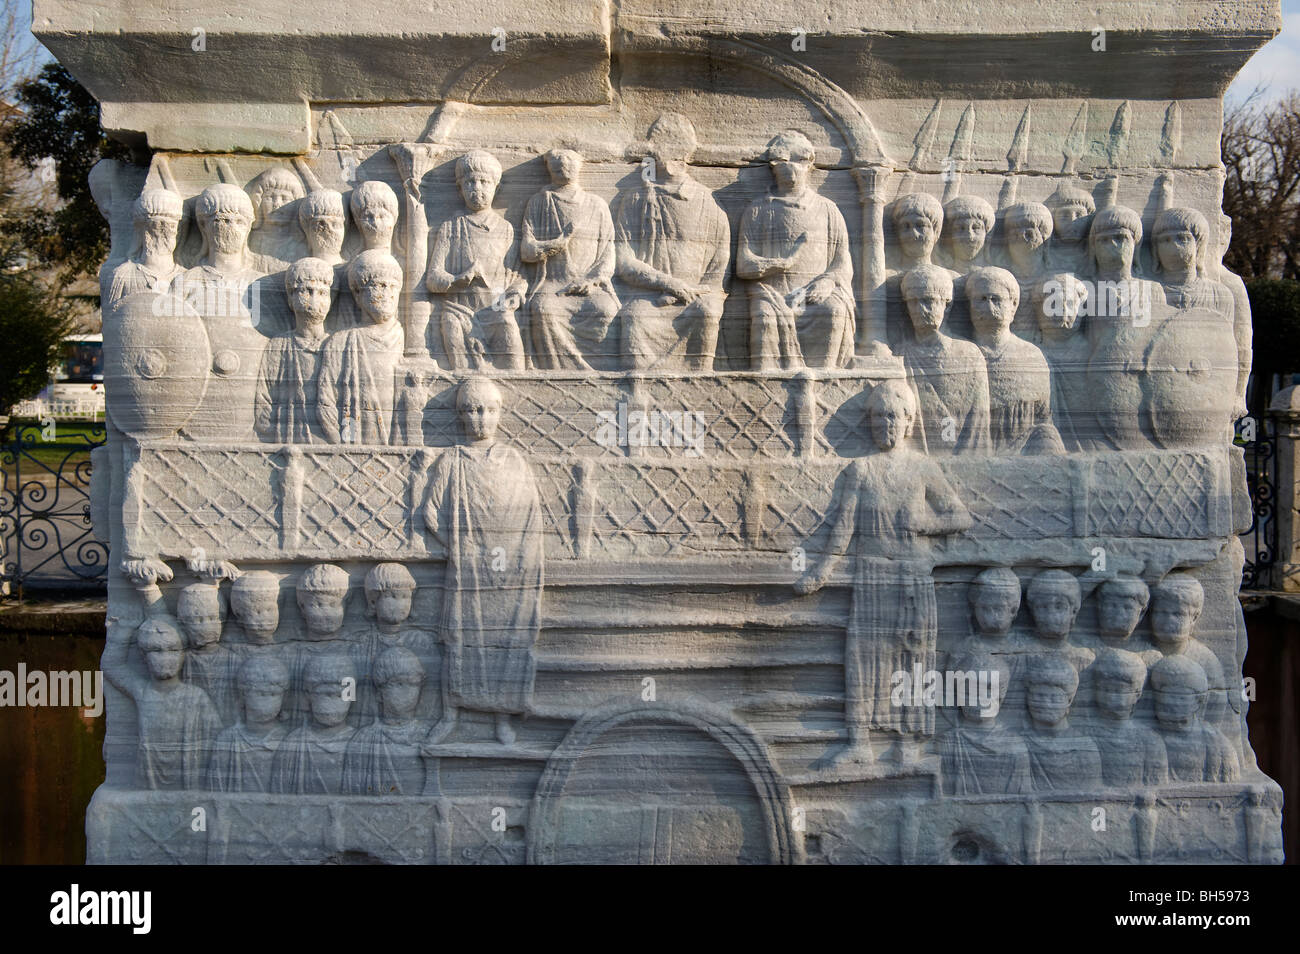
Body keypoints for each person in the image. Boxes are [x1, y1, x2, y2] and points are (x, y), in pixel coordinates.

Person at [794, 378, 972, 770]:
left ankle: (908, 744)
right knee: (863, 657)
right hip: (872, 576)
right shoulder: (861, 471)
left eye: (893, 417)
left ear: (909, 421)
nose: (886, 425)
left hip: (912, 577)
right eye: (879, 417)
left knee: (913, 660)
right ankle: (859, 743)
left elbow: (960, 516)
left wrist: (924, 522)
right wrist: (821, 571)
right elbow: (843, 528)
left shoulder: (923, 468)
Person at [422, 377, 543, 746]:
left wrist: (518, 560)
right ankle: (450, 715)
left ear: (499, 413)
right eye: (472, 410)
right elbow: (431, 513)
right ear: (460, 415)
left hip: (508, 576)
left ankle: (503, 719)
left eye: (488, 410)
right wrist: (461, 549)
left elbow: (531, 519)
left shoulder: (514, 461)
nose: (480, 418)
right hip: (468, 570)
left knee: (507, 643)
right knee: (459, 642)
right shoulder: (451, 461)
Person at [614, 113, 730, 372]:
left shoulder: (706, 202)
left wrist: (700, 291)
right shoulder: (635, 199)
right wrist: (668, 284)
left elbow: (719, 261)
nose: (670, 159)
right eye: (664, 149)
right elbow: (624, 260)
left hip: (696, 296)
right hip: (650, 296)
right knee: (635, 317)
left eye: (677, 150)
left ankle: (700, 390)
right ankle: (635, 393)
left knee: (708, 313)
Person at [736, 130, 855, 370]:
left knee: (834, 310)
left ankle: (826, 381)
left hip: (813, 295)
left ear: (810, 164)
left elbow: (843, 264)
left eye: (799, 159)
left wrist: (828, 282)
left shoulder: (828, 209)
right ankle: (767, 387)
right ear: (772, 165)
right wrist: (779, 263)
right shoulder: (758, 209)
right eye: (782, 159)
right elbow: (743, 264)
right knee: (764, 317)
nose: (791, 166)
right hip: (772, 296)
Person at [426, 150, 528, 370]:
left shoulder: (506, 229)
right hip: (459, 308)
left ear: (496, 187)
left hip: (496, 306)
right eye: (470, 182)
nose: (477, 189)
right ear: (460, 188)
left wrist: (516, 295)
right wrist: (457, 279)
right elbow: (433, 277)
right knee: (454, 341)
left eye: (484, 182)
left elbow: (518, 276)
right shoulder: (451, 227)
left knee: (512, 350)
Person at [521, 148, 620, 370]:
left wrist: (592, 280)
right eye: (555, 162)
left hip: (590, 285)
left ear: (580, 164)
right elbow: (526, 251)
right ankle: (557, 373)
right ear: (548, 168)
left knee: (607, 310)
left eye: (569, 161)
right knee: (542, 309)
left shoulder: (597, 204)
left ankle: (603, 374)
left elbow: (608, 252)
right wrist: (551, 246)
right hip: (554, 284)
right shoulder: (538, 202)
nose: (563, 165)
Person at [102, 617, 223, 790]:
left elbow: (218, 743)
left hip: (189, 782)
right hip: (149, 779)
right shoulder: (142, 691)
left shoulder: (197, 698)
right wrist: (124, 629)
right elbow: (112, 665)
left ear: (183, 654)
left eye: (173, 650)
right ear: (144, 656)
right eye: (157, 651)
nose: (166, 658)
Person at [967, 266, 1062, 454]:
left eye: (996, 299)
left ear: (1013, 305)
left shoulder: (1033, 356)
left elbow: (1045, 420)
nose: (988, 306)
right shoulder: (963, 355)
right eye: (981, 299)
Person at [896, 265, 990, 455]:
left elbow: (978, 423)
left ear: (946, 304)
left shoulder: (969, 355)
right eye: (913, 301)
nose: (920, 309)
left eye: (928, 301)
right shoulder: (899, 353)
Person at [317, 249, 405, 444]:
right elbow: (326, 401)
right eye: (379, 286)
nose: (387, 294)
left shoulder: (404, 338)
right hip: (352, 445)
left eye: (393, 287)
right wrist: (340, 447)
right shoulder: (340, 343)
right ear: (358, 293)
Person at [254, 257, 333, 443]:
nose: (315, 299)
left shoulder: (336, 344)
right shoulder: (278, 345)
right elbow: (263, 399)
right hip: (286, 441)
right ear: (290, 297)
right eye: (306, 291)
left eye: (322, 292)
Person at [938, 651, 1029, 796]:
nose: (978, 700)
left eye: (987, 692)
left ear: (1000, 696)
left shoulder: (1015, 745)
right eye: (970, 692)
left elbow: (1024, 796)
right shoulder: (948, 742)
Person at [343, 647, 427, 795]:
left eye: (414, 683)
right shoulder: (362, 741)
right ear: (379, 692)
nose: (408, 691)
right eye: (399, 683)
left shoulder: (427, 736)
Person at [270, 653, 356, 794]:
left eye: (339, 695)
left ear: (351, 697)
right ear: (308, 695)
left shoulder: (359, 741)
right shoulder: (292, 745)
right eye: (326, 694)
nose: (332, 704)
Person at [206, 655, 291, 792]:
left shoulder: (288, 740)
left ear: (284, 697)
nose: (267, 701)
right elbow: (215, 790)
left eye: (274, 694)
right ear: (243, 694)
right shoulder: (226, 740)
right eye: (260, 693)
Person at [1150, 655, 1238, 783]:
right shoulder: (1146, 741)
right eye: (1163, 694)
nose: (1169, 702)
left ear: (1199, 701)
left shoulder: (1219, 747)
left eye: (1180, 697)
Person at [1023, 652, 1102, 792]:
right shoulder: (1021, 743)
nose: (1046, 705)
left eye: (1054, 698)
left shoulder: (1083, 748)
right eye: (1038, 696)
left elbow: (1092, 794)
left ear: (1069, 701)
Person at [1090, 648, 1168, 787]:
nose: (1110, 697)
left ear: (1137, 694)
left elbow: (1158, 788)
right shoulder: (1088, 735)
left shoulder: (1150, 741)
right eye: (1105, 689)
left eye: (1119, 690)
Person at [105, 188, 185, 309]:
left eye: (170, 225)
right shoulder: (123, 276)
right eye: (156, 225)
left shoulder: (186, 277)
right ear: (140, 229)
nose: (163, 230)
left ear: (178, 230)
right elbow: (111, 320)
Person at [177, 581, 237, 724]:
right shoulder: (183, 659)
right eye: (197, 620)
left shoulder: (234, 660)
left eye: (212, 618)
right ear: (183, 623)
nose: (206, 626)